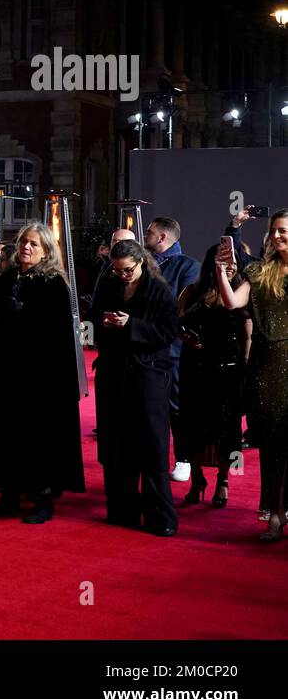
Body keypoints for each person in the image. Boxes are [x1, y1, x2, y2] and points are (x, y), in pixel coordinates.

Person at [0, 223, 85, 522]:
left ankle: (43, 500)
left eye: (34, 244)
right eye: (24, 241)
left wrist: (18, 316)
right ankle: (8, 495)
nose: (26, 247)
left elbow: (56, 337)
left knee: (40, 441)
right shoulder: (7, 277)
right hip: (6, 375)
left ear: (47, 250)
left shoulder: (53, 285)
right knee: (7, 437)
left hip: (41, 380)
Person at [91, 239, 181, 536]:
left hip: (148, 377)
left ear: (141, 262)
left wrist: (131, 325)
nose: (123, 275)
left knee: (152, 447)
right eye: (117, 271)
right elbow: (93, 320)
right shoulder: (109, 285)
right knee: (116, 445)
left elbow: (168, 333)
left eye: (127, 270)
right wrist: (104, 323)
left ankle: (161, 518)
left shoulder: (159, 290)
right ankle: (123, 511)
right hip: (114, 374)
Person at [216, 210, 288, 540]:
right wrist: (220, 271)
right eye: (274, 231)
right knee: (273, 446)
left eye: (283, 231)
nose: (276, 236)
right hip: (266, 368)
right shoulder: (259, 272)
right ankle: (275, 514)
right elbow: (231, 303)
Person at [177, 244, 251, 509]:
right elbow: (178, 321)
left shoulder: (243, 291)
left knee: (226, 429)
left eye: (235, 261)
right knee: (193, 425)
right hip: (195, 367)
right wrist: (185, 336)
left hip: (227, 369)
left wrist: (246, 366)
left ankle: (223, 480)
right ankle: (197, 479)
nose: (231, 265)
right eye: (225, 260)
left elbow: (248, 333)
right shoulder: (192, 290)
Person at [143, 217, 200, 485]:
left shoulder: (188, 266)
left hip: (174, 350)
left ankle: (184, 458)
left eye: (149, 232)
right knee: (149, 408)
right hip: (144, 349)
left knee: (177, 408)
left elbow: (184, 310)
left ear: (163, 237)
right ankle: (153, 458)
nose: (145, 235)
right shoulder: (143, 263)